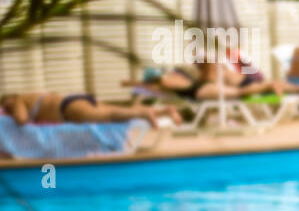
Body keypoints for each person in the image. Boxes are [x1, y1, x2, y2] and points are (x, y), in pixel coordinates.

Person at [2, 92, 179, 128]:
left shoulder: (17, 99)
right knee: (118, 109)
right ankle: (163, 111)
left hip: (68, 108)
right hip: (75, 99)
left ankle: (144, 114)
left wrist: (9, 113)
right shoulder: (31, 96)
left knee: (110, 115)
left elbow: (21, 120)